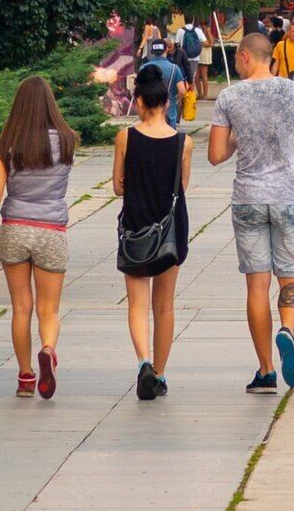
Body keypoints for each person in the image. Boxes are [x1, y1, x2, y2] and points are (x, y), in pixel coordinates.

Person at [207, 29, 294, 393]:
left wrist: (241, 134)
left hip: (248, 199)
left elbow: (215, 155)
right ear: (270, 57)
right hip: (288, 195)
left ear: (243, 57)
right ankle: (287, 330)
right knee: (291, 277)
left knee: (257, 285)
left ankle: (266, 371)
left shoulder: (229, 97)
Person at [0, 75, 77, 400]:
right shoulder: (68, 140)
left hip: (15, 228)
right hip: (51, 231)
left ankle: (26, 376)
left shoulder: (8, 144)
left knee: (20, 308)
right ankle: (48, 349)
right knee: (49, 309)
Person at [111, 64, 189, 401]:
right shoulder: (183, 143)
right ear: (165, 100)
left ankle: (143, 360)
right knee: (165, 307)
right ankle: (159, 373)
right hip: (170, 231)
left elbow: (117, 186)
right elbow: (181, 187)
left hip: (135, 227)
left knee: (137, 305)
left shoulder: (125, 137)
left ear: (140, 101)